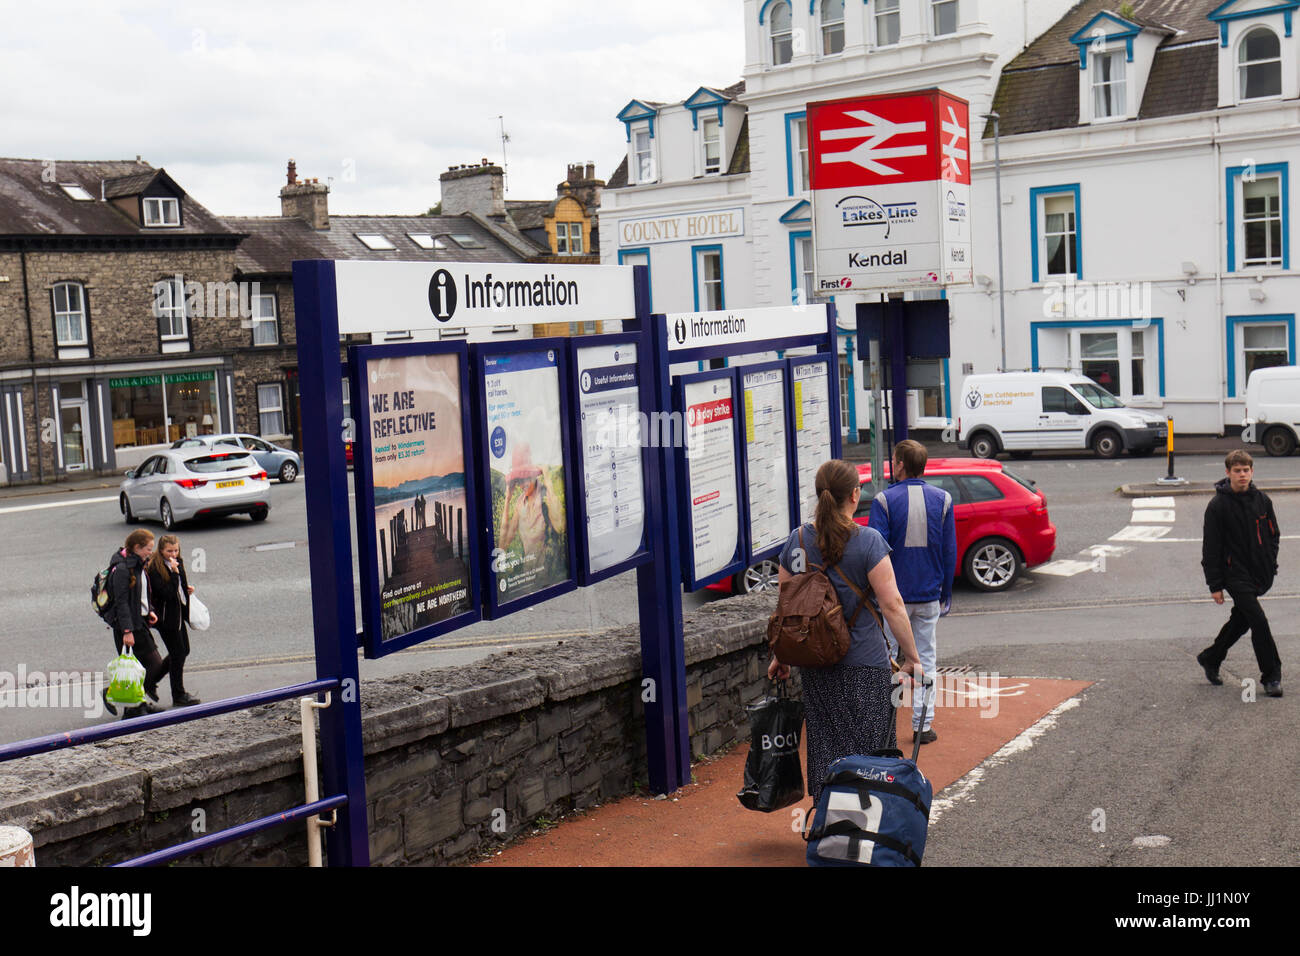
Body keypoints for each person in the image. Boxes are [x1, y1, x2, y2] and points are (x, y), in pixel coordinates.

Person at [767, 459, 923, 805]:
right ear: (855, 494)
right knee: (871, 750)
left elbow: (786, 607)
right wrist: (912, 657)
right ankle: (869, 826)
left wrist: (781, 655)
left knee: (826, 746)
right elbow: (893, 605)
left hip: (816, 665)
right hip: (865, 664)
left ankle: (829, 825)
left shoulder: (797, 541)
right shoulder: (868, 541)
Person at [868, 440, 957, 744]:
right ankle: (923, 725)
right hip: (929, 592)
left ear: (901, 464)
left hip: (895, 596)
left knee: (891, 658)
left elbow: (875, 551)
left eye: (894, 460)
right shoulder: (943, 499)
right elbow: (949, 550)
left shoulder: (883, 500)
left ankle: (887, 724)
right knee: (926, 658)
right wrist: (945, 590)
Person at [1198, 449, 1283, 697]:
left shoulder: (1263, 501)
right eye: (1237, 471)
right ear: (1228, 473)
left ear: (1252, 471)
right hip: (1234, 574)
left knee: (1242, 619)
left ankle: (1211, 658)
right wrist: (1215, 585)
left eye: (1246, 470)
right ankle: (1272, 677)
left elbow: (1273, 534)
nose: (1242, 475)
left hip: (1260, 572)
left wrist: (1270, 561)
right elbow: (1211, 548)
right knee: (1258, 621)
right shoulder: (1217, 506)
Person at [104, 529, 166, 718]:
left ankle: (136, 706)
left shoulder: (137, 564)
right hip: (130, 626)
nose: (151, 552)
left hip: (139, 621)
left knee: (137, 667)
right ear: (137, 547)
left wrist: (150, 611)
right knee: (154, 665)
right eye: (148, 548)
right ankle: (113, 695)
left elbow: (141, 594)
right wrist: (127, 630)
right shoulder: (123, 569)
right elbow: (121, 602)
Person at [147, 534, 201, 707]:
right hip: (165, 619)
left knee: (184, 651)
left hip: (177, 614)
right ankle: (178, 694)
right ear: (161, 550)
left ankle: (149, 682)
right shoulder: (155, 568)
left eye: (176, 550)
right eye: (169, 551)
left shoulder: (177, 561)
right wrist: (175, 573)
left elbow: (179, 587)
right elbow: (167, 593)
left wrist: (186, 588)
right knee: (178, 654)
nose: (173, 554)